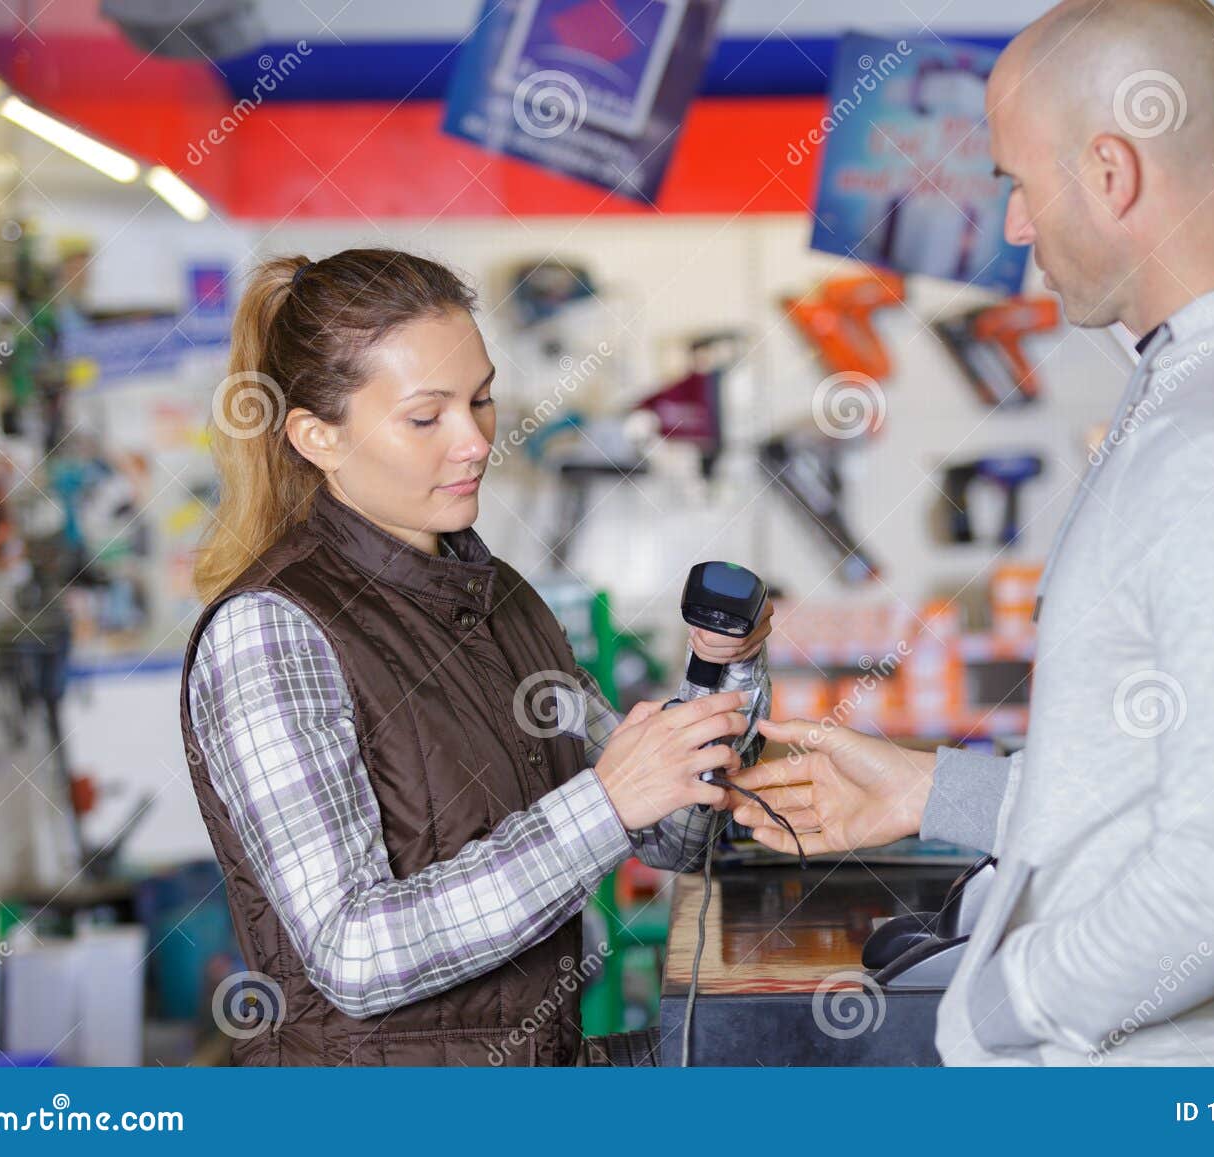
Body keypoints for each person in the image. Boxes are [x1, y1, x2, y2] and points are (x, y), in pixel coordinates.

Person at [727, 0, 1214, 1065]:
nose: (1018, 226)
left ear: (1113, 171)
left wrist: (992, 1011)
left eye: (1017, 184)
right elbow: (1179, 781)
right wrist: (934, 790)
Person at [180, 249, 772, 1066]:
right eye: (427, 418)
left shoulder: (503, 600)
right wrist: (603, 804)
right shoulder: (272, 631)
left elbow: (672, 834)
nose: (474, 442)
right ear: (318, 436)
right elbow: (356, 954)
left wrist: (722, 674)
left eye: (483, 399)